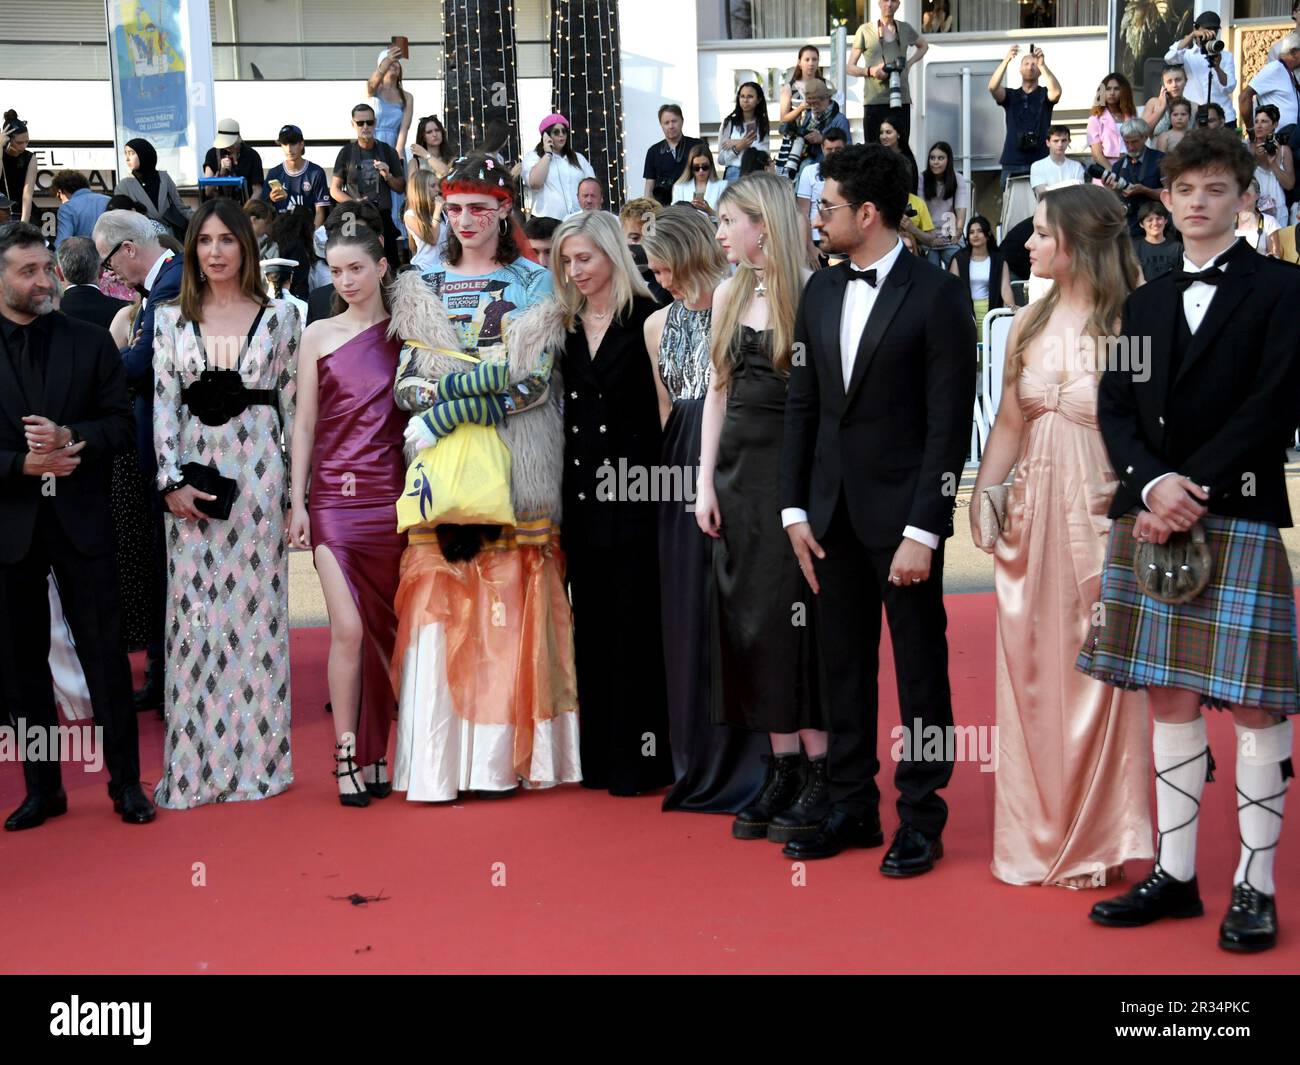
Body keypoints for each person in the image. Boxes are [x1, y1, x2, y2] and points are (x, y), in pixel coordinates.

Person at [1081, 129, 1300, 953]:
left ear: (1243, 196)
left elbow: (1274, 407)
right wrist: (1149, 483)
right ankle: (1175, 874)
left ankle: (1256, 884)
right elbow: (1115, 408)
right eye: (1184, 189)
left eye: (1216, 187)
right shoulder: (1142, 302)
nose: (1199, 202)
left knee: (1253, 702)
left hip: (1235, 513)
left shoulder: (1284, 290)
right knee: (1168, 696)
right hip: (1151, 509)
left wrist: (1187, 487)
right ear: (1164, 202)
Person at [781, 144, 975, 869]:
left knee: (922, 671)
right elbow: (804, 405)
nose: (815, 219)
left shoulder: (937, 294)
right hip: (828, 517)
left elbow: (948, 424)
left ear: (867, 214)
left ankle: (922, 815)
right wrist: (792, 510)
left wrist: (925, 528)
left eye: (825, 207)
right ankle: (851, 805)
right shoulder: (821, 291)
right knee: (842, 667)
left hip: (905, 523)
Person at [970, 184, 1151, 888]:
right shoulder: (1027, 322)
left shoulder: (1129, 324)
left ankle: (1096, 839)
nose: (1030, 244)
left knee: (1097, 678)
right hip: (1032, 517)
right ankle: (1038, 834)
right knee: (1034, 673)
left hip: (1103, 516)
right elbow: (1010, 424)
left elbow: (1151, 433)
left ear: (1077, 242)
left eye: (1042, 234)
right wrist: (987, 497)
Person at [390, 153, 578, 801]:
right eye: (456, 207)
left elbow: (534, 381)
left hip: (517, 463)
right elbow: (407, 382)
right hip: (444, 477)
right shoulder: (420, 282)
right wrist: (456, 394)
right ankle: (443, 764)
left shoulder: (536, 283)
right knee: (442, 604)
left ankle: (495, 761)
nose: (466, 220)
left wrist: (449, 405)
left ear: (505, 209)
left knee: (508, 605)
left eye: (480, 207)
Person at [0, 221, 154, 831]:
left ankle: (125, 784)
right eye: (28, 271)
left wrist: (72, 440)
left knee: (104, 655)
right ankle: (44, 790)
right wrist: (22, 463)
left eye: (48, 269)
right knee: (20, 666)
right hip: (12, 526)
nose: (44, 280)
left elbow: (120, 426)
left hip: (82, 521)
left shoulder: (90, 342)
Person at [150, 199, 300, 808]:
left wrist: (297, 498)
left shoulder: (282, 318)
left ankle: (258, 764)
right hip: (194, 485)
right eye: (204, 241)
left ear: (246, 247)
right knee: (194, 624)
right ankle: (195, 769)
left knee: (257, 621)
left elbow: (293, 411)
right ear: (191, 251)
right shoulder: (166, 319)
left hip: (260, 484)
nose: (215, 251)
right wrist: (169, 483)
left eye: (226, 240)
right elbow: (164, 407)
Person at [695, 173, 828, 843]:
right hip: (736, 479)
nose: (719, 233)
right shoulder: (727, 293)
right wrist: (703, 485)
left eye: (729, 220)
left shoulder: (813, 295)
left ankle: (822, 770)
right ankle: (780, 766)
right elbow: (717, 393)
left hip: (792, 481)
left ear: (764, 224)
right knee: (747, 619)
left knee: (793, 623)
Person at [640, 208, 767, 813]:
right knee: (684, 614)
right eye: (654, 270)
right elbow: (668, 409)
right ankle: (693, 756)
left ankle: (755, 760)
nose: (661, 281)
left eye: (666, 267)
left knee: (735, 612)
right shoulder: (656, 324)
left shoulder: (738, 298)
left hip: (733, 467)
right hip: (674, 474)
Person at [551, 209, 673, 795]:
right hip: (581, 502)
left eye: (585, 258)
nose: (575, 270)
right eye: (567, 261)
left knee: (637, 629)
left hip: (638, 496)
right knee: (591, 629)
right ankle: (597, 757)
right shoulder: (565, 327)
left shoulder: (648, 317)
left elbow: (667, 412)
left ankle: (643, 760)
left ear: (612, 257)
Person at [289, 224, 406, 806]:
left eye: (355, 269)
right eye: (335, 272)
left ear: (382, 267)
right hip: (335, 498)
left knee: (389, 631)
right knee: (350, 628)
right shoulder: (315, 334)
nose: (345, 281)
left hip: (394, 498)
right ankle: (343, 754)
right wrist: (298, 501)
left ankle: (379, 754)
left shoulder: (408, 336)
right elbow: (304, 423)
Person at [91, 208, 184, 711]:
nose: (111, 276)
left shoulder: (170, 283)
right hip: (158, 442)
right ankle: (162, 669)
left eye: (109, 264)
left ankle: (167, 673)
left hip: (171, 447)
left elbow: (143, 362)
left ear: (127, 248)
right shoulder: (165, 281)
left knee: (165, 563)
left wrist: (94, 360)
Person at [330, 103, 406, 269]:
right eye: (360, 123)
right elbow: (334, 190)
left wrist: (388, 175)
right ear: (353, 125)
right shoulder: (346, 152)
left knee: (388, 265)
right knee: (352, 262)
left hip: (382, 216)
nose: (365, 127)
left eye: (369, 122)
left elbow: (401, 187)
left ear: (375, 123)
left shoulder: (387, 151)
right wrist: (356, 204)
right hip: (353, 217)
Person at [847, 0, 927, 144]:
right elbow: (850, 67)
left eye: (894, 1)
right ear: (879, 3)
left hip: (900, 100)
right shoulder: (865, 30)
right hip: (874, 101)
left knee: (900, 149)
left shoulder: (905, 28)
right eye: (885, 0)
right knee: (873, 152)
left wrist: (908, 64)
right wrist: (871, 71)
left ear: (898, 4)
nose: (889, 4)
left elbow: (923, 46)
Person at [988, 45, 1061, 188]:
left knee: (1044, 205)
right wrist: (1006, 61)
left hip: (1041, 160)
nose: (1030, 67)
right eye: (1026, 64)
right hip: (1012, 161)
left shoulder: (1044, 94)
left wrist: (1043, 65)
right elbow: (992, 87)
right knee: (1012, 207)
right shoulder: (1011, 95)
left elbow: (1056, 92)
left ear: (1039, 71)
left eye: (1034, 64)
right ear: (1020, 70)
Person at [367, 45, 414, 245]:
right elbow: (371, 84)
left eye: (397, 62)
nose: (394, 65)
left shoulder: (407, 96)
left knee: (397, 189)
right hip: (374, 141)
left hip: (394, 143)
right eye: (389, 61)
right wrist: (387, 59)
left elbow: (404, 127)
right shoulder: (374, 91)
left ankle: (399, 237)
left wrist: (397, 153)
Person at [1166, 11, 1237, 126]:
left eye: (1214, 30)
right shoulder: (1187, 54)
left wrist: (1217, 68)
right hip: (1195, 117)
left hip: (1222, 117)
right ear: (1196, 28)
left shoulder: (1225, 55)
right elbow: (1169, 58)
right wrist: (1192, 35)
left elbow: (1229, 87)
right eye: (1207, 29)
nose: (1210, 33)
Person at [521, 114, 595, 223]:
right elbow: (535, 183)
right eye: (556, 132)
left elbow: (592, 185)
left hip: (577, 221)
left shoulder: (578, 158)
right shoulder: (534, 157)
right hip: (546, 222)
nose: (561, 135)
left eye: (564, 131)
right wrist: (547, 155)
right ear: (546, 135)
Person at [112, 138, 191, 239]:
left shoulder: (163, 178)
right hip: (144, 241)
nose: (127, 158)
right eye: (126, 154)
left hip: (171, 238)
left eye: (131, 153)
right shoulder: (124, 186)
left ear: (143, 154)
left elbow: (180, 207)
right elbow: (122, 218)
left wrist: (201, 220)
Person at [776, 78, 850, 182]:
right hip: (807, 170)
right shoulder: (809, 115)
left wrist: (822, 139)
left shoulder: (840, 120)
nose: (813, 107)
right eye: (810, 104)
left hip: (829, 173)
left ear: (827, 98)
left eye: (816, 103)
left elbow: (848, 151)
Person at [950, 215, 1013, 336]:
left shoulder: (998, 259)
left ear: (988, 234)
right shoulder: (959, 258)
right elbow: (953, 290)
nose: (975, 235)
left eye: (979, 231)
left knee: (989, 349)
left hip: (991, 310)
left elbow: (1005, 288)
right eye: (971, 232)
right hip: (966, 310)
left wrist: (1011, 308)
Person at [262, 125, 331, 230]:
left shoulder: (316, 173)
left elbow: (320, 212)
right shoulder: (274, 173)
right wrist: (271, 200)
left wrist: (312, 237)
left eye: (293, 143)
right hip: (280, 233)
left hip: (307, 232)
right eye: (285, 144)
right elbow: (264, 212)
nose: (289, 149)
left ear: (302, 144)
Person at [796, 127, 848, 266]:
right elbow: (802, 213)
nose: (833, 154)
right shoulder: (809, 172)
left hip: (844, 240)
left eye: (838, 149)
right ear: (822, 148)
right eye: (829, 149)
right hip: (817, 239)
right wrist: (810, 247)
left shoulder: (853, 174)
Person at [1110, 119, 1165, 236]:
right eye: (1126, 142)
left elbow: (1171, 194)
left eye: (1134, 142)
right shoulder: (1118, 166)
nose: (1130, 147)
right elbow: (1113, 200)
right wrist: (1111, 188)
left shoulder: (1161, 160)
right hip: (1129, 227)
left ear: (1145, 138)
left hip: (1156, 225)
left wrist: (1145, 190)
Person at [919, 139, 968, 267]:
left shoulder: (958, 178)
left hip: (950, 236)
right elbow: (921, 210)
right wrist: (931, 237)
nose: (935, 162)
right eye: (932, 158)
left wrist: (958, 231)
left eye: (940, 158)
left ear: (948, 160)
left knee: (959, 265)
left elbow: (960, 208)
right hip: (928, 237)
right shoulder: (922, 178)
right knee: (931, 270)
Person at [643, 104, 701, 208]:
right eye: (666, 123)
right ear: (661, 125)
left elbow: (708, 177)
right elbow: (649, 189)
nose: (671, 126)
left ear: (682, 121)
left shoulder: (697, 145)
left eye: (674, 121)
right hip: (663, 209)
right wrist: (649, 214)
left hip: (692, 207)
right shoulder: (653, 151)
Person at [1241, 33, 1300, 135]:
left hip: (1288, 140)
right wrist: (1251, 131)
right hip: (1275, 141)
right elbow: (1244, 97)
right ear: (1294, 52)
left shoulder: (1288, 72)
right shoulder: (1275, 68)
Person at [1248, 105, 1293, 229]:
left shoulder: (1284, 150)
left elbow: (1289, 184)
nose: (1258, 125)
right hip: (1253, 208)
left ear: (1275, 124)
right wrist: (1255, 159)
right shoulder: (1248, 148)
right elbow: (1240, 179)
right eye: (1256, 121)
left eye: (1264, 121)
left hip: (1278, 208)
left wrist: (1273, 164)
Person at [717, 82, 770, 182]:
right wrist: (739, 147)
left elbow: (765, 154)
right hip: (734, 172)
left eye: (750, 96)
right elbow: (721, 159)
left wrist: (738, 141)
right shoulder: (729, 123)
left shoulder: (762, 123)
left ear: (758, 99)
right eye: (742, 96)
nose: (745, 100)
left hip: (756, 173)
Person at [203, 118, 264, 203]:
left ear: (238, 138)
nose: (227, 147)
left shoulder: (252, 156)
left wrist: (248, 209)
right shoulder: (212, 154)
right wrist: (221, 173)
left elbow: (258, 190)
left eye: (231, 144)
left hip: (244, 207)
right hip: (219, 208)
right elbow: (208, 191)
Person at [1087, 74, 1136, 170]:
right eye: (1108, 89)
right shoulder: (1095, 119)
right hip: (1106, 171)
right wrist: (1113, 174)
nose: (1112, 93)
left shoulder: (1132, 117)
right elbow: (1097, 155)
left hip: (1131, 167)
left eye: (1116, 89)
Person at [51, 171, 109, 250]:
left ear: (61, 191)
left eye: (59, 197)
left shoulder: (67, 208)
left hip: (84, 259)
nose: (61, 201)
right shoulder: (108, 200)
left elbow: (62, 244)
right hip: (111, 256)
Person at [403, 168, 446, 273]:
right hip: (426, 270)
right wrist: (437, 212)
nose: (438, 190)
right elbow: (432, 239)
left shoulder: (441, 210)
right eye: (433, 186)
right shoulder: (410, 215)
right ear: (421, 189)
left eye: (437, 185)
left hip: (446, 267)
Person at [671, 143, 728, 217]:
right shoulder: (679, 187)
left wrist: (709, 210)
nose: (701, 171)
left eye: (705, 167)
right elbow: (674, 214)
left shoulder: (723, 186)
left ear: (711, 166)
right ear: (690, 168)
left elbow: (728, 217)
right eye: (696, 168)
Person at [1132, 201, 1184, 280]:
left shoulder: (1177, 248)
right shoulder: (1134, 248)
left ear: (1165, 220)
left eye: (1159, 218)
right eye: (1150, 220)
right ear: (1141, 224)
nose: (1155, 223)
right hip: (1143, 291)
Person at [1031, 126, 1086, 198]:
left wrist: (1050, 188)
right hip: (1048, 208)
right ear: (1048, 143)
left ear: (1069, 141)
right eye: (1056, 141)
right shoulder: (1037, 166)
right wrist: (1070, 183)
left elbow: (1079, 194)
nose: (1060, 144)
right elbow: (1042, 192)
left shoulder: (1077, 166)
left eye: (1063, 140)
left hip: (1071, 208)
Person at [1, 111, 36, 222]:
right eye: (19, 142)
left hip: (20, 213)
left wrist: (24, 223)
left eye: (27, 141)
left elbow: (27, 193)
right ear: (8, 140)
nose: (24, 146)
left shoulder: (29, 157)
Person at [1142, 64, 1190, 140]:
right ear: (1163, 85)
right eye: (1169, 81)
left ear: (1186, 81)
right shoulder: (1154, 103)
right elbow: (1142, 132)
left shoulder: (1193, 106)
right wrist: (1161, 109)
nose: (1174, 85)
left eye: (1178, 80)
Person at [1236, 177, 1282, 257]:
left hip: (1259, 268)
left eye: (1246, 193)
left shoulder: (1269, 222)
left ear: (1257, 196)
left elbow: (1275, 256)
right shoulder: (1227, 222)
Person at [409, 114, 454, 178]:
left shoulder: (451, 160)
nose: (435, 134)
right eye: (429, 132)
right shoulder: (415, 162)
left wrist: (426, 155)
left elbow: (447, 173)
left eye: (437, 130)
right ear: (423, 137)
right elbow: (411, 186)